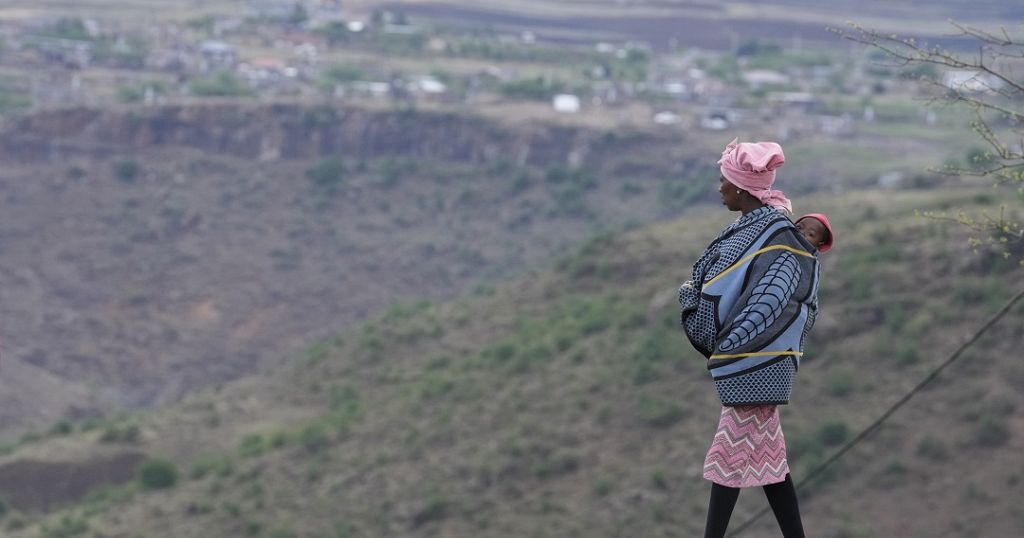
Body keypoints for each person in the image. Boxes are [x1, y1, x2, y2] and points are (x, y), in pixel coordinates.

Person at [678, 138, 820, 538]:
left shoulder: (772, 232)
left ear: (740, 188)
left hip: (754, 359)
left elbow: (776, 297)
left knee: (729, 452)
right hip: (756, 359)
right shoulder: (760, 228)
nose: (719, 188)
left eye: (724, 181)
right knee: (769, 459)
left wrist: (692, 298)